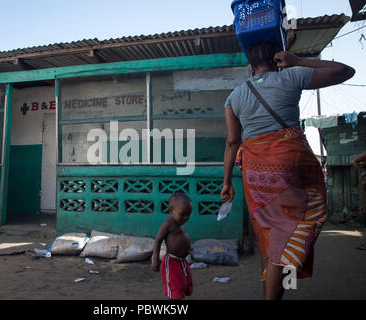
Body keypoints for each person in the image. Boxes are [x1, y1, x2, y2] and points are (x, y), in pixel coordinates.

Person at [221, 42, 355, 300]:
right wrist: (299, 61)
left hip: (256, 172)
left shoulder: (234, 96)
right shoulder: (292, 76)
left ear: (250, 66)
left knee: (271, 235)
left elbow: (231, 142)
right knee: (289, 233)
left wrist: (227, 181)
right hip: (293, 162)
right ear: (277, 59)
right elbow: (344, 71)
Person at [151, 191, 193, 300]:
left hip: (182, 261)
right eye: (183, 214)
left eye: (188, 214)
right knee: (176, 288)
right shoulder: (168, 224)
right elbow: (157, 241)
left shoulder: (180, 224)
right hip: (172, 262)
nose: (186, 217)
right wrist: (155, 259)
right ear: (171, 211)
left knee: (184, 285)